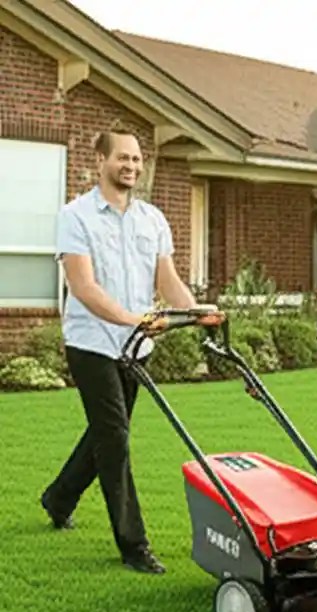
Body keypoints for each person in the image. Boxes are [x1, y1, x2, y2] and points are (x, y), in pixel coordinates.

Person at [39, 126, 223, 574]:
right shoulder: (76, 216)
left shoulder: (152, 219)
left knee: (106, 434)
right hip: (91, 344)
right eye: (123, 157)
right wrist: (131, 318)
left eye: (137, 159)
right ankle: (134, 545)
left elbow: (166, 279)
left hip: (136, 347)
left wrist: (194, 310)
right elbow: (83, 286)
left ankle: (59, 498)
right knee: (115, 439)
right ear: (100, 160)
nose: (132, 166)